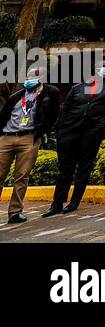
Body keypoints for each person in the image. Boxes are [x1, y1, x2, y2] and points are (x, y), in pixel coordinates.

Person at [43, 55, 105, 216]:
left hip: (92, 131)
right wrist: (61, 129)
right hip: (70, 130)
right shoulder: (77, 88)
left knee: (84, 167)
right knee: (65, 168)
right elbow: (65, 109)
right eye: (104, 65)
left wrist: (103, 123)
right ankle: (56, 203)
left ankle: (74, 202)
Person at [0, 66, 59, 224]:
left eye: (34, 76)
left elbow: (53, 115)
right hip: (6, 138)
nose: (29, 79)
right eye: (28, 76)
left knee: (21, 177)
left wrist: (41, 132)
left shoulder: (51, 93)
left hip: (29, 139)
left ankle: (15, 212)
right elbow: (4, 115)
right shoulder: (16, 96)